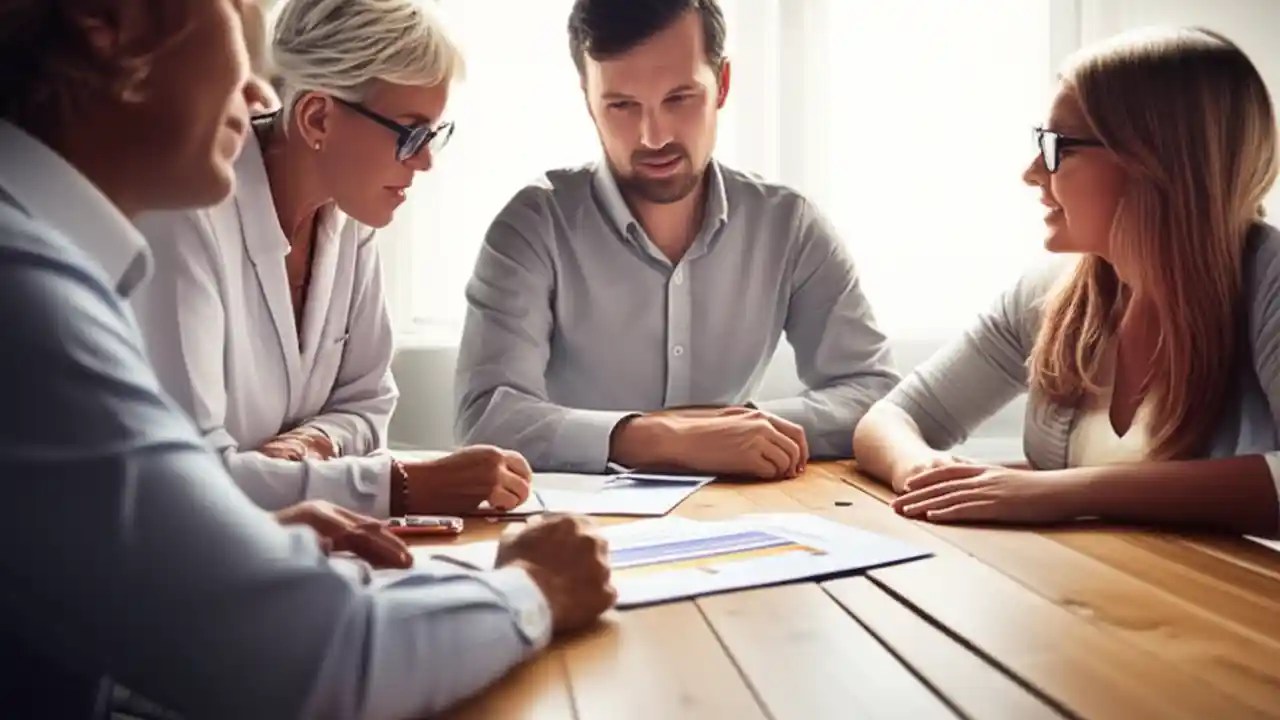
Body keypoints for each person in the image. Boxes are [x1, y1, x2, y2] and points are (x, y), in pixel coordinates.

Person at [0, 1, 614, 717]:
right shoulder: (25, 297)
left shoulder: (51, 263)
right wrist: (535, 586)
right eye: (235, 16)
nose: (262, 94)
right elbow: (328, 659)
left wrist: (237, 540)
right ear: (110, 22)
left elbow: (365, 404)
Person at [852, 27, 1280, 538]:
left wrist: (1063, 491)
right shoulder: (1050, 294)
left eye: (1056, 147)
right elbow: (893, 418)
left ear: (1154, 162)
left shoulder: (1267, 283)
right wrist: (924, 472)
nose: (1032, 173)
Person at [455, 0, 899, 479]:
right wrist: (667, 439)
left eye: (680, 98)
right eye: (622, 105)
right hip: (571, 528)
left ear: (722, 84)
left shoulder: (788, 224)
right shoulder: (532, 226)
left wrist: (746, 430)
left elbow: (876, 395)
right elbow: (486, 419)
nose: (653, 136)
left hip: (743, 512)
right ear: (588, 99)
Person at [133, 0, 533, 518]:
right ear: (317, 117)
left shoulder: (351, 218)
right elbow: (194, 477)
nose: (426, 160)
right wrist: (400, 485)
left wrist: (313, 443)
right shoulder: (188, 213)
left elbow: (368, 402)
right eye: (411, 134)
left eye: (433, 134)